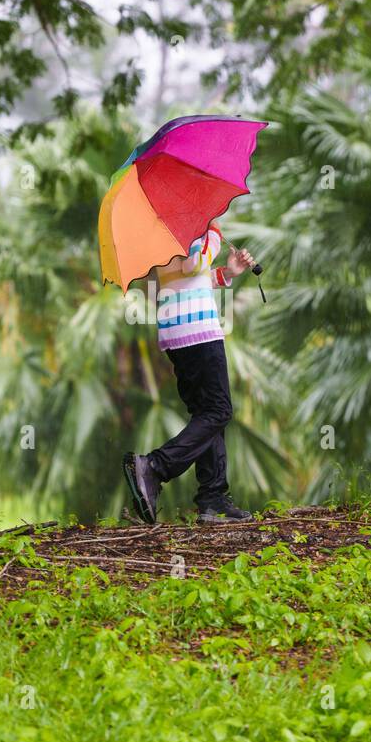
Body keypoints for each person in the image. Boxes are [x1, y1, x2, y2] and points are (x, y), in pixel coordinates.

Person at [123, 224, 257, 525]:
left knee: (206, 414)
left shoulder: (162, 226)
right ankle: (155, 466)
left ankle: (213, 499)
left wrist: (227, 273)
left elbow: (188, 278)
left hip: (177, 330)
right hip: (198, 332)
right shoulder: (188, 224)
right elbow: (193, 262)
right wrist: (212, 235)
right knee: (219, 410)